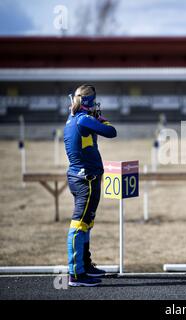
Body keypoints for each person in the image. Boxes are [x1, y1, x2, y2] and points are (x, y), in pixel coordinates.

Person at [64, 84, 117, 287]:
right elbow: (111, 131)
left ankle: (85, 266)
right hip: (85, 179)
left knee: (86, 223)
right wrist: (101, 118)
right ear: (88, 102)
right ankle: (76, 273)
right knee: (78, 225)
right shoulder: (84, 119)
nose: (95, 104)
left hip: (86, 177)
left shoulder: (78, 118)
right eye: (93, 101)